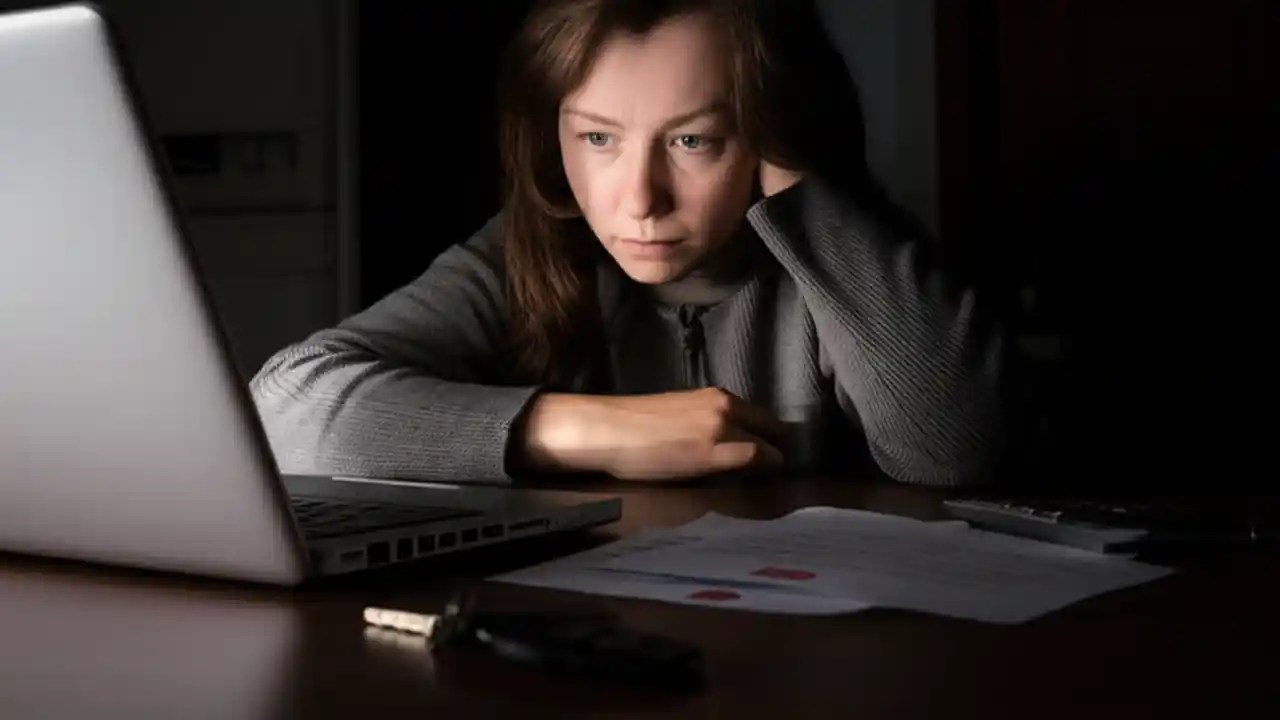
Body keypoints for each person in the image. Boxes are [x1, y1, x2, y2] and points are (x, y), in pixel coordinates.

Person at [249, 0, 1015, 486]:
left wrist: (809, 196)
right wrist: (593, 432)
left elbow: (954, 450)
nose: (639, 199)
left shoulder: (842, 257)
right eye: (597, 137)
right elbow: (283, 406)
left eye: (692, 140)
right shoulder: (529, 255)